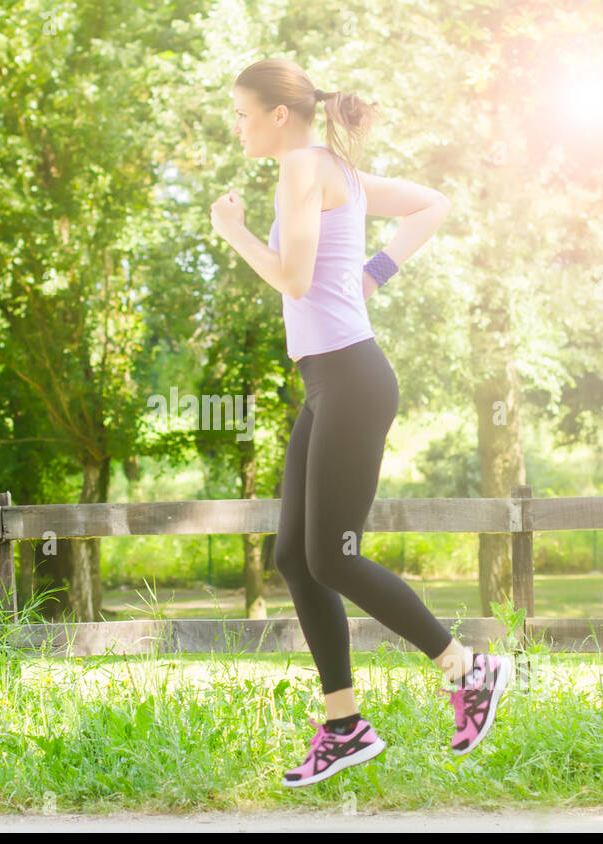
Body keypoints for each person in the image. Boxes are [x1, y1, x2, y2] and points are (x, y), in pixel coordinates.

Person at [209, 58, 512, 788]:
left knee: (334, 556)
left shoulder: (301, 169)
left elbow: (293, 278)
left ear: (280, 114)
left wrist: (234, 231)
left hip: (350, 377)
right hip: (333, 380)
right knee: (294, 554)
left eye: (244, 113)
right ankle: (344, 725)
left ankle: (468, 667)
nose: (239, 126)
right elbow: (432, 204)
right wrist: (376, 271)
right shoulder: (334, 170)